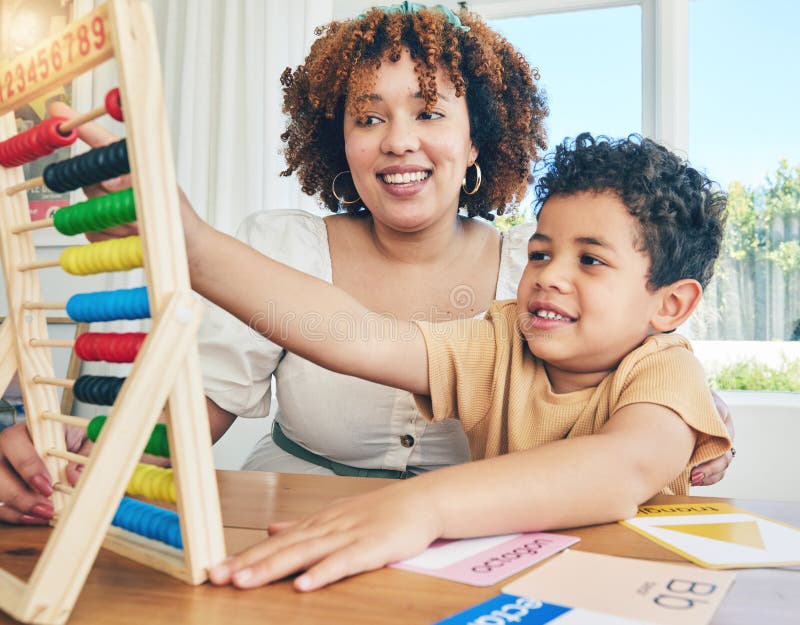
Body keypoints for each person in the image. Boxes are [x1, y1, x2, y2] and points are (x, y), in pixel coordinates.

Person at [0, 4, 732, 526]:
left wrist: (685, 415)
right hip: (291, 522)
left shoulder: (533, 281)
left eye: (430, 112)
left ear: (479, 141)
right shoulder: (295, 252)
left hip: (476, 540)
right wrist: (80, 467)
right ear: (338, 141)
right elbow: (341, 333)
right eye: (368, 117)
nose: (397, 142)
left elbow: (647, 385)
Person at [169, 131, 732, 590]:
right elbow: (358, 336)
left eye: (589, 259)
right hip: (513, 587)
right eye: (540, 253)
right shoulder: (501, 342)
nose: (549, 275)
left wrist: (423, 506)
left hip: (628, 591)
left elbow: (617, 471)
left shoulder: (667, 370)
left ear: (670, 303)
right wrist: (194, 248)